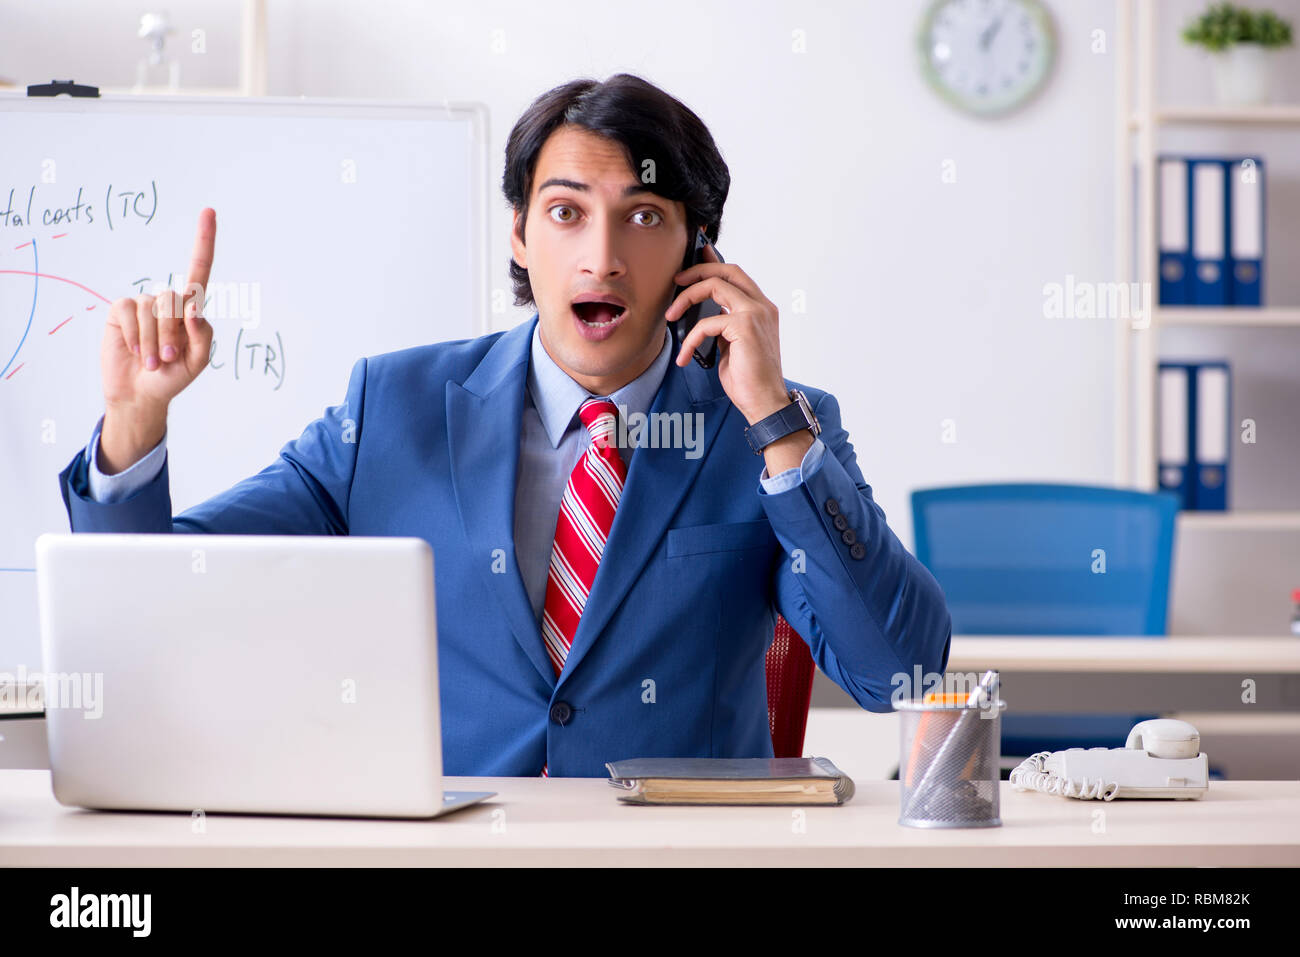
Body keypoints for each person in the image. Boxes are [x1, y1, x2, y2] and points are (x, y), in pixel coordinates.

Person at [58, 73, 951, 777]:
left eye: (644, 217)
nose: (602, 255)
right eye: (566, 213)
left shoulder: (770, 429)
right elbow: (165, 604)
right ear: (521, 234)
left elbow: (897, 673)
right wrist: (133, 428)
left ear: (698, 250)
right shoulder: (395, 409)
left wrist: (774, 423)